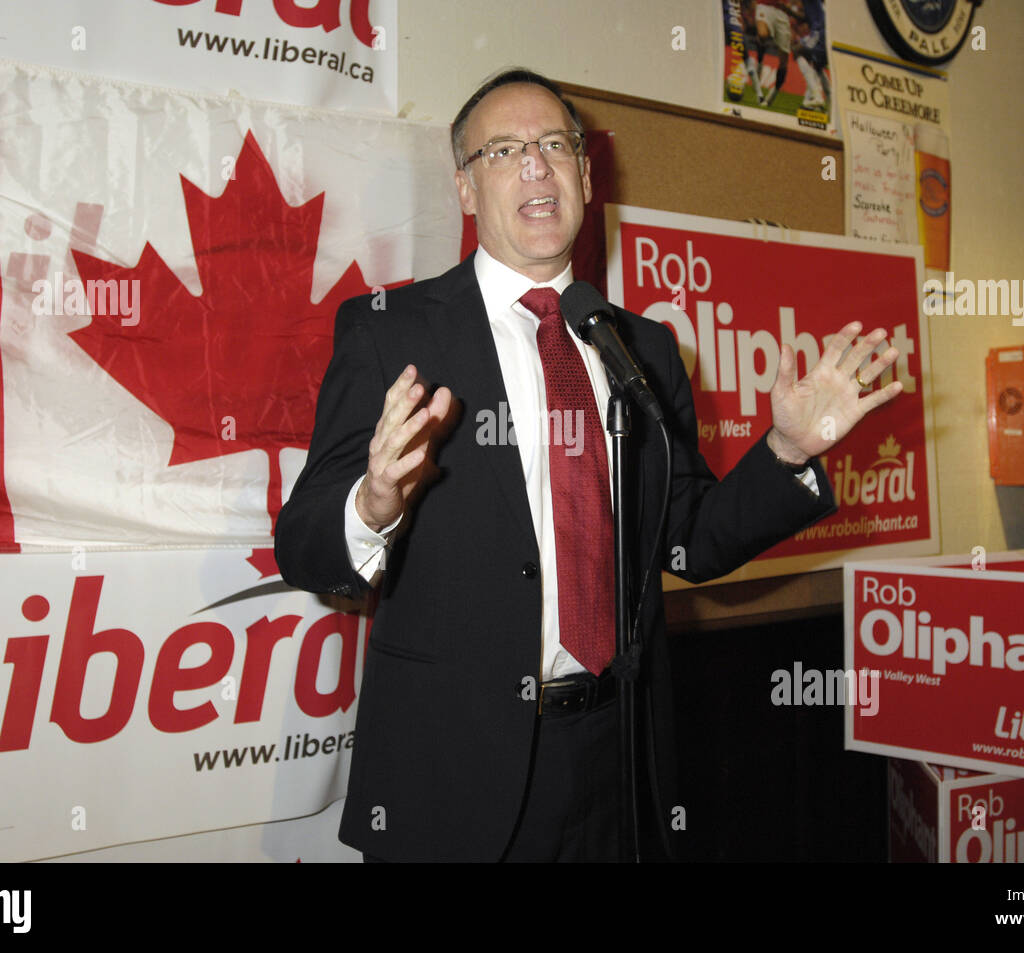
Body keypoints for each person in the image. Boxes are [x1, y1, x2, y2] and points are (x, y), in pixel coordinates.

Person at [274, 68, 902, 862]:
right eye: (503, 150)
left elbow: (691, 539)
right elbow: (302, 547)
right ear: (464, 189)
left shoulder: (642, 347)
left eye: (554, 146)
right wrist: (372, 502)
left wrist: (786, 452)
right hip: (452, 777)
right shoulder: (388, 333)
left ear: (586, 173)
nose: (535, 165)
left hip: (620, 763)